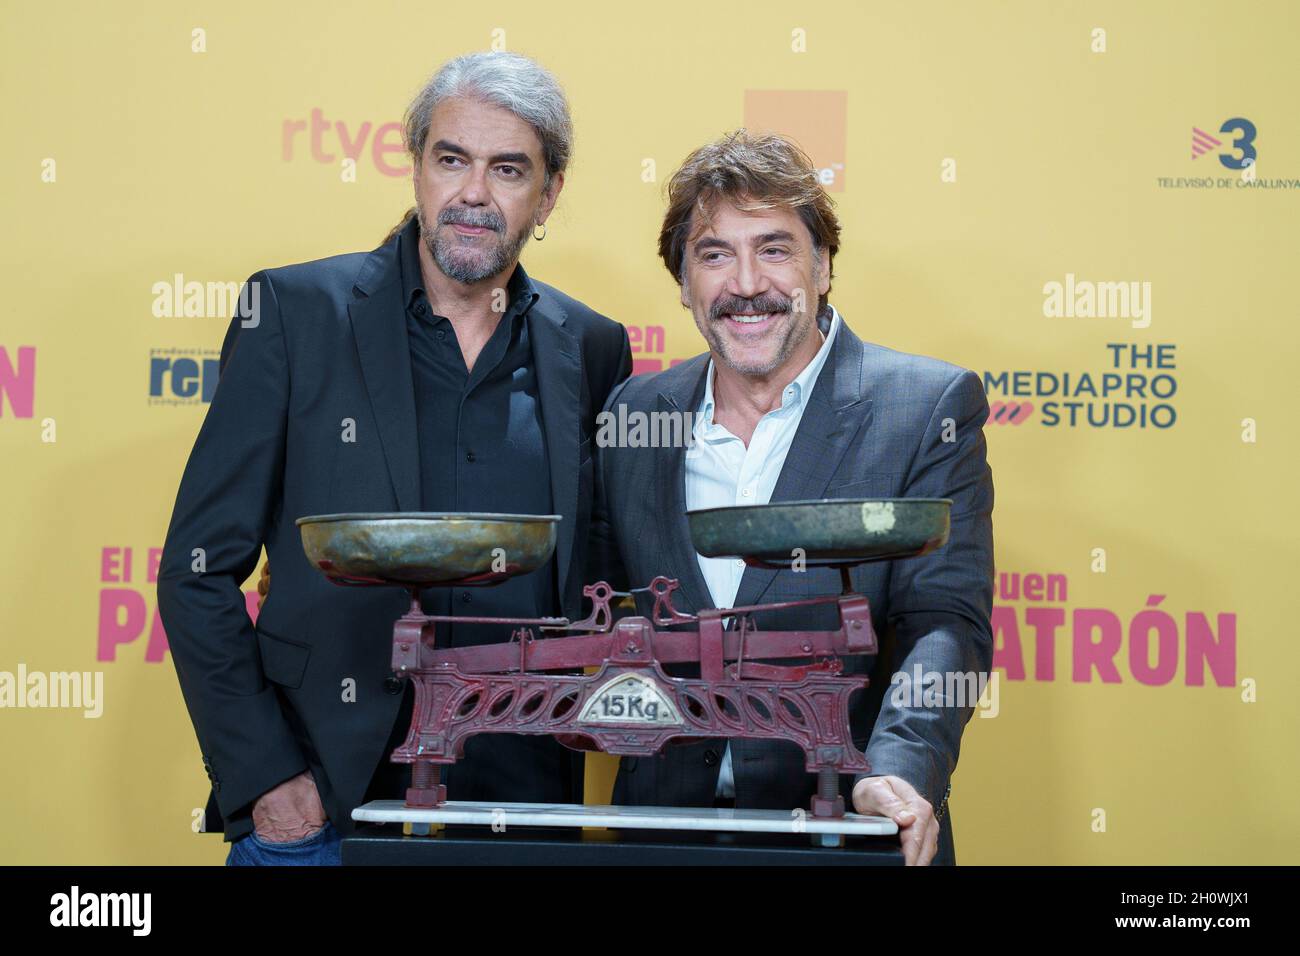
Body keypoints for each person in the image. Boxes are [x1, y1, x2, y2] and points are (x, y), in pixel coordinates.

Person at [158, 52, 631, 866]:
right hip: (324, 807)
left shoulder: (591, 347)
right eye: (452, 159)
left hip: (520, 812)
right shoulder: (294, 314)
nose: (473, 193)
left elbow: (600, 574)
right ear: (416, 167)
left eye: (508, 168)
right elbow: (195, 570)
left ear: (548, 194)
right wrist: (268, 779)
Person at [594, 130, 994, 865]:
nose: (747, 284)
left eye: (774, 249)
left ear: (824, 265)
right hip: (661, 838)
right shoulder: (632, 414)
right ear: (683, 283)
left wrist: (897, 774)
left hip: (853, 831)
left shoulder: (927, 406)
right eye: (715, 255)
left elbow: (945, 624)